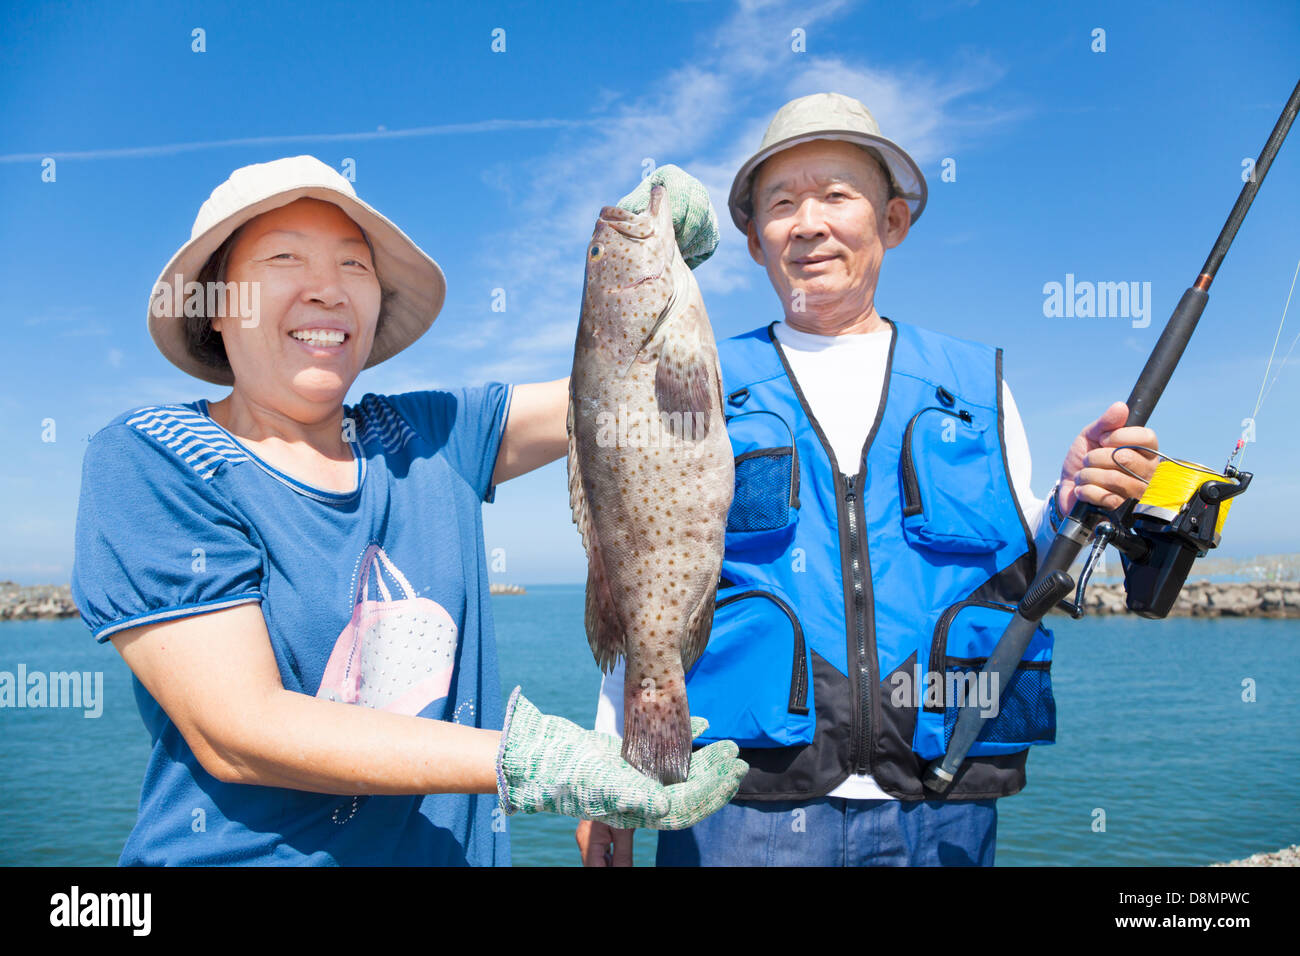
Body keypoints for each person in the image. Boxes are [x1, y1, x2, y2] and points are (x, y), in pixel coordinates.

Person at [70, 155, 747, 866]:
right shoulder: (155, 457)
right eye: (283, 257)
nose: (326, 289)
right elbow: (238, 729)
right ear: (216, 305)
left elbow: (619, 389)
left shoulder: (426, 438)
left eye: (354, 267)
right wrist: (534, 760)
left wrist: (643, 239)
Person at [576, 92, 1160, 866]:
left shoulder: (973, 385)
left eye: (836, 195)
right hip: (738, 804)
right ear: (752, 240)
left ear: (892, 222)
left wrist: (1074, 502)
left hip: (942, 803)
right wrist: (608, 766)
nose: (808, 222)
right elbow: (635, 551)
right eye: (781, 203)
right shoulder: (699, 374)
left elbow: (1027, 562)